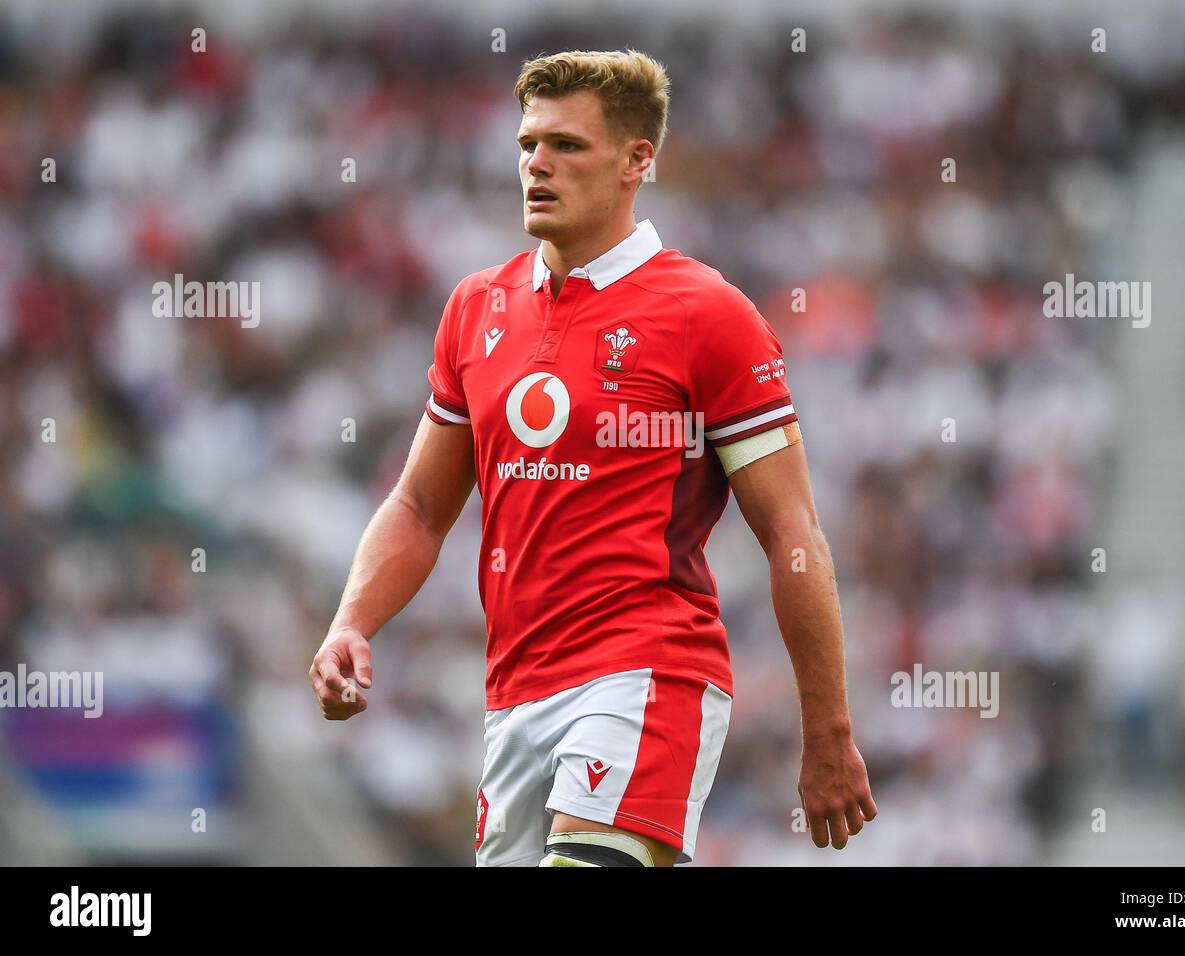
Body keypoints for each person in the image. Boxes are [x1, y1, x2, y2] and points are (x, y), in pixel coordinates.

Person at [309, 48, 877, 867]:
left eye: (567, 145)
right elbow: (420, 507)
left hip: (649, 671)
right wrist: (349, 623)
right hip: (513, 695)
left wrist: (828, 732)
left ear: (635, 161)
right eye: (527, 145)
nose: (536, 164)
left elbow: (793, 531)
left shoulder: (709, 315)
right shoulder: (477, 308)